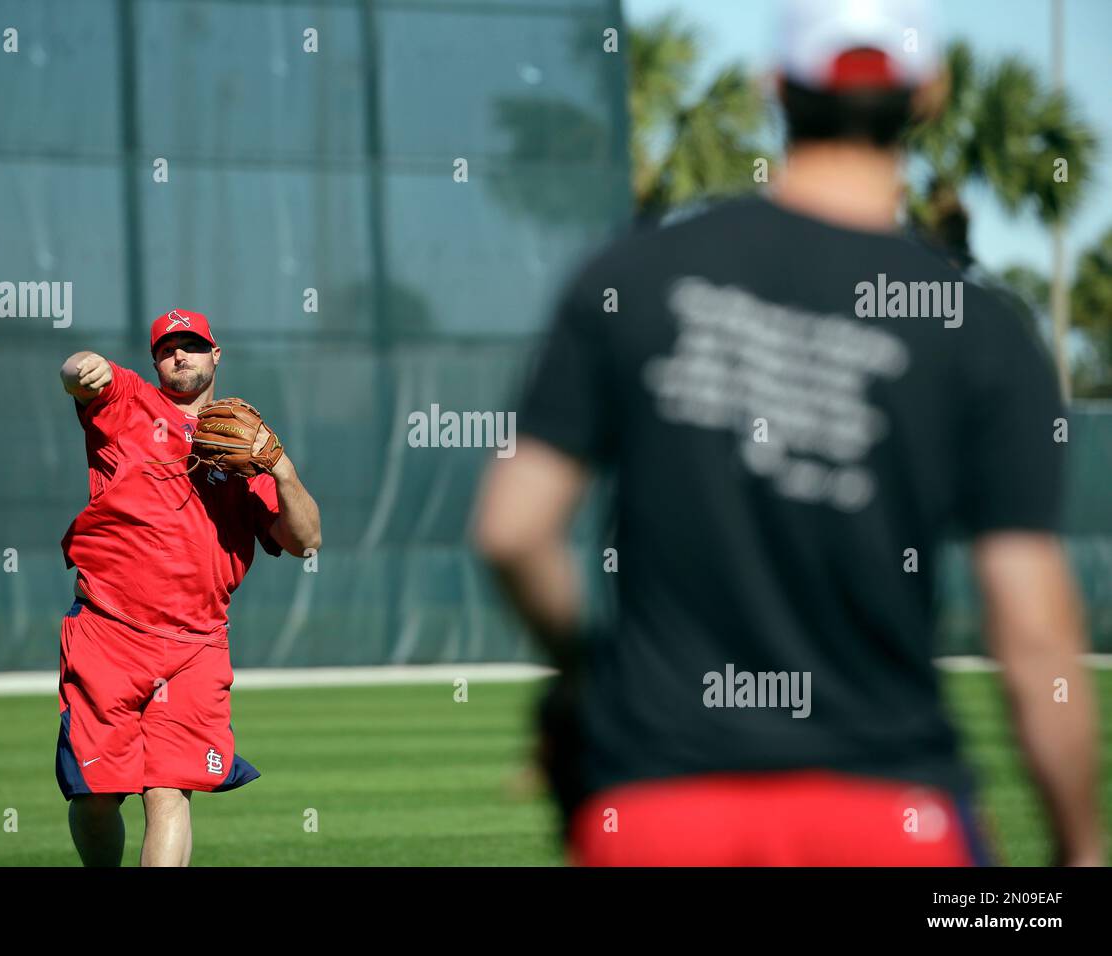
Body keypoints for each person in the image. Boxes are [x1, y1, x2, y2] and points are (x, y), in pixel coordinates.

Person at [474, 0, 1102, 866]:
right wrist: (1080, 845)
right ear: (928, 93)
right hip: (889, 814)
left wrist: (587, 676)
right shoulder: (982, 329)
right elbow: (1033, 631)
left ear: (776, 87)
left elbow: (511, 532)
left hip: (660, 808)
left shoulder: (636, 272)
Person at [56, 308, 321, 866]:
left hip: (196, 644)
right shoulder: (128, 401)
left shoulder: (243, 446)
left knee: (169, 789)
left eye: (193, 345)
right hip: (110, 629)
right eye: (167, 348)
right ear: (154, 360)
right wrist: (87, 368)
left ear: (215, 354)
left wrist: (282, 471)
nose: (180, 355)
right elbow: (77, 372)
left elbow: (307, 541)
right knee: (98, 794)